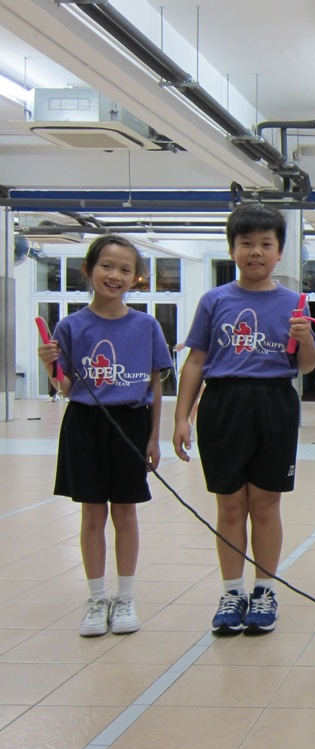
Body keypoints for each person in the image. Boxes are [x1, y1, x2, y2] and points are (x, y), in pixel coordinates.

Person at [172, 202, 315, 635]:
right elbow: (196, 362)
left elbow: (306, 367)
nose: (255, 252)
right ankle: (232, 591)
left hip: (274, 403)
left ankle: (264, 591)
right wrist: (181, 417)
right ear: (232, 249)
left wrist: (305, 338)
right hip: (223, 404)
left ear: (279, 253)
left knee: (266, 505)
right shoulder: (214, 300)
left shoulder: (294, 302)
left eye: (265, 244)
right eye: (245, 243)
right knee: (230, 504)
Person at [37, 234, 173, 637]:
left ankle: (125, 596)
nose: (114, 275)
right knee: (92, 513)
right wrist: (51, 367)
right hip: (85, 424)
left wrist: (153, 438)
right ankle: (96, 598)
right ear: (88, 270)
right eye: (107, 266)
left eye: (125, 269)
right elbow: (65, 387)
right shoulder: (71, 325)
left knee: (125, 512)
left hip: (130, 423)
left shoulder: (146, 326)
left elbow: (155, 384)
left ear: (137, 278)